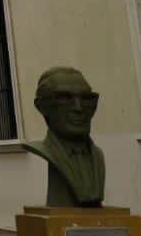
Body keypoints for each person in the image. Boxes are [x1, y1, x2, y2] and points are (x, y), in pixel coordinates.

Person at [22, 67, 106, 207]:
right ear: (42, 106)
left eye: (86, 98)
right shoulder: (46, 152)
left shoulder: (98, 156)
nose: (78, 108)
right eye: (65, 98)